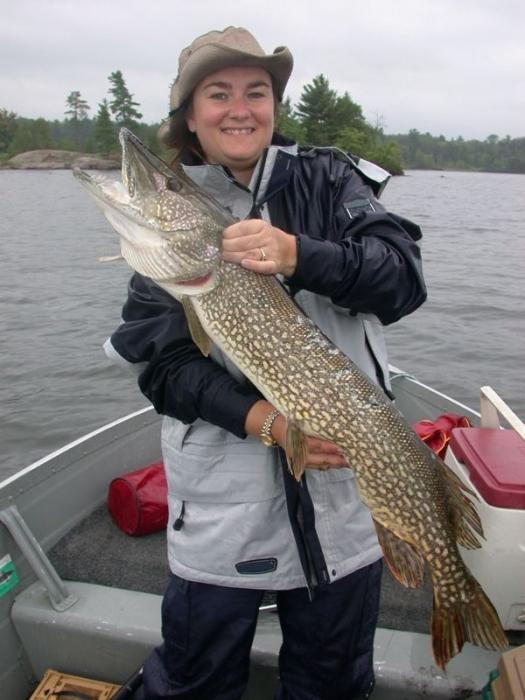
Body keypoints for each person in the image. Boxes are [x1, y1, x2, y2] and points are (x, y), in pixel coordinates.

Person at [104, 26, 427, 700]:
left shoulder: (330, 180)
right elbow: (164, 369)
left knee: (331, 686)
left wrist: (297, 254)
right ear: (190, 116)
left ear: (274, 107)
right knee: (194, 684)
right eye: (217, 94)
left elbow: (401, 279)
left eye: (256, 92)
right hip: (222, 513)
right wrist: (270, 424)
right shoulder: (171, 235)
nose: (239, 108)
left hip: (345, 506)